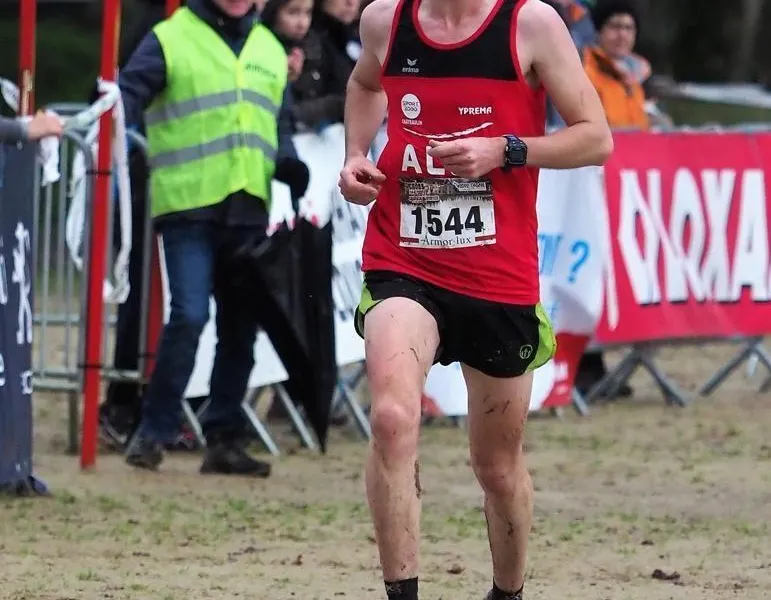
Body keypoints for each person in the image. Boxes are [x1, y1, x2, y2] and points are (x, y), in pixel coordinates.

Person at [338, 0, 612, 597]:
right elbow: (364, 84)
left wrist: (505, 150)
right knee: (391, 419)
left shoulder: (531, 24)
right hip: (403, 257)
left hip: (497, 276)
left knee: (497, 467)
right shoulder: (385, 20)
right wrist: (356, 154)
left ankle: (507, 591)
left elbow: (596, 139)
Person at [119, 0, 296, 477]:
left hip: (249, 205)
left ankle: (223, 441)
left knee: (240, 328)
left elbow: (277, 120)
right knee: (190, 315)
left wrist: (289, 159)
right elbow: (126, 99)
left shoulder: (269, 46)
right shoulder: (170, 37)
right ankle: (153, 431)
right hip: (188, 205)